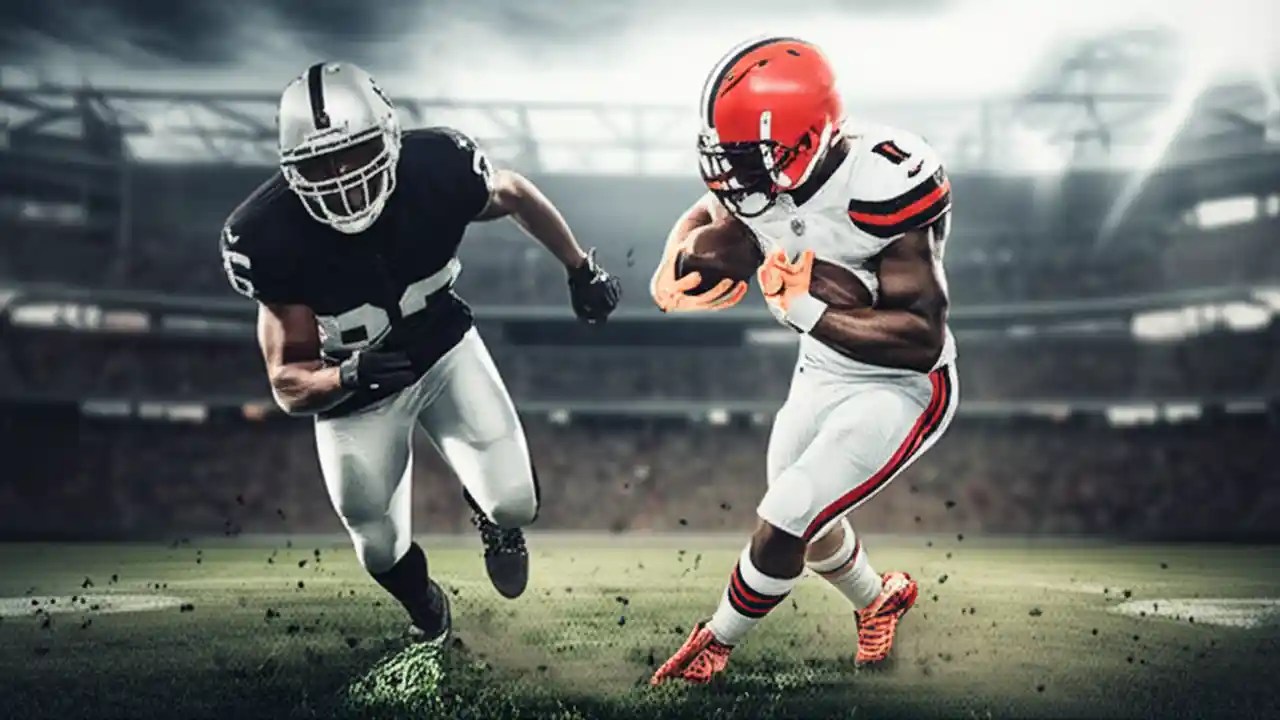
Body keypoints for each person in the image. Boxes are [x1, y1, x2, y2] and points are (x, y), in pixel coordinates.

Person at [219, 62, 621, 644]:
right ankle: (426, 609)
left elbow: (510, 192)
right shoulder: (266, 234)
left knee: (513, 502)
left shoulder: (436, 166)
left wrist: (580, 267)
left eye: (353, 154)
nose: (340, 178)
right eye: (318, 165)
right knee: (376, 543)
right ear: (290, 170)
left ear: (387, 138)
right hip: (357, 389)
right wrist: (346, 375)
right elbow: (287, 380)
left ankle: (493, 519)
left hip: (443, 349)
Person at [648, 37, 959, 683]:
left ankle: (714, 645)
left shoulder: (883, 179)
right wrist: (671, 260)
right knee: (812, 529)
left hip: (900, 383)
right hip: (819, 368)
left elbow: (921, 335)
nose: (737, 175)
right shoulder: (757, 174)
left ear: (809, 137)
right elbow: (715, 207)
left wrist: (808, 309)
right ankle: (881, 600)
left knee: (788, 511)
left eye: (750, 159)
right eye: (727, 157)